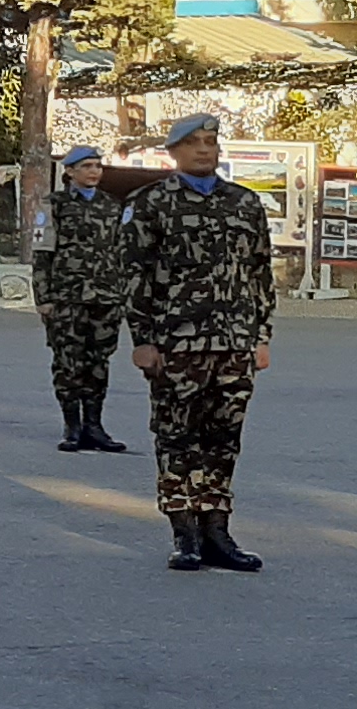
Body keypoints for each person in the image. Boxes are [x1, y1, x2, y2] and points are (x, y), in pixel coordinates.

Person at [125, 114, 278, 571]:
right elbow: (134, 275)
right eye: (193, 143)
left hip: (234, 343)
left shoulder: (244, 202)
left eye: (211, 141)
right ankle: (184, 533)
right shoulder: (151, 203)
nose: (205, 149)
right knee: (177, 438)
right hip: (176, 343)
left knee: (224, 439)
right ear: (173, 152)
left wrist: (261, 337)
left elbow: (259, 273)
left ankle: (217, 530)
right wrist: (143, 339)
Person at [33, 146, 135, 454]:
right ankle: (72, 426)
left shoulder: (112, 205)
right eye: (87, 166)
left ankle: (94, 425)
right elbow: (42, 253)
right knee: (68, 363)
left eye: (97, 166)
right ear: (70, 172)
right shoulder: (54, 205)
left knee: (98, 363)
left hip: (106, 297)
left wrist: (124, 293)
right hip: (67, 297)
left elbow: (124, 251)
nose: (94, 171)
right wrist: (44, 297)